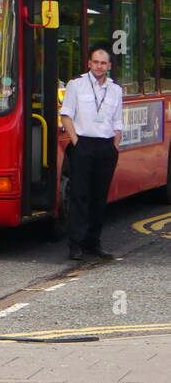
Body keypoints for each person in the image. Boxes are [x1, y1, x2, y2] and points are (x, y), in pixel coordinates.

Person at [59, 47, 122, 260]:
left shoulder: (116, 90)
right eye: (95, 62)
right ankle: (75, 244)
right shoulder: (76, 85)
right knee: (79, 196)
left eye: (103, 63)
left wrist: (114, 145)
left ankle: (93, 243)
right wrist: (77, 142)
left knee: (99, 197)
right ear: (89, 63)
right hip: (83, 144)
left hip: (106, 146)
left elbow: (117, 121)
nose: (99, 66)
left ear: (109, 66)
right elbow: (66, 115)